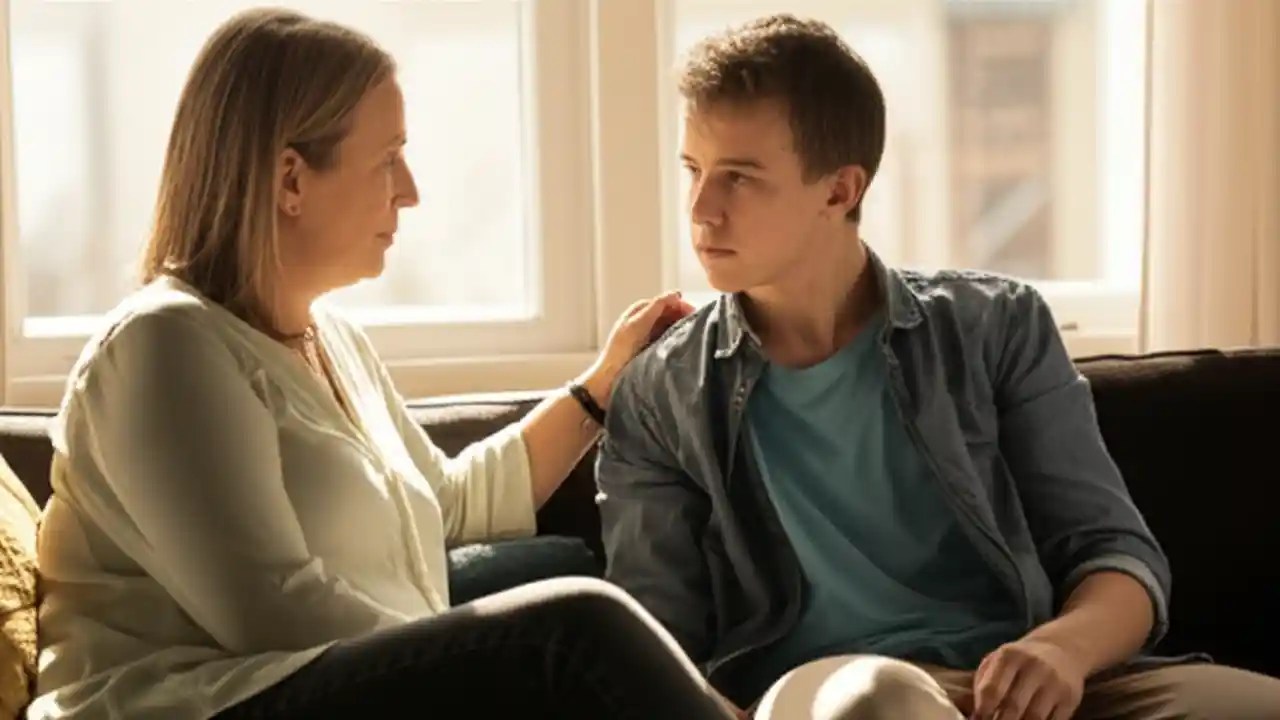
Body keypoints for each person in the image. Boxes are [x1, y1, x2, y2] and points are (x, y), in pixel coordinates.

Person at [29, 8, 735, 720]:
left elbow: (449, 502)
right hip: (201, 704)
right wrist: (489, 658)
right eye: (388, 156)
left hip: (339, 686)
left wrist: (603, 386)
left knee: (573, 589)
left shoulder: (331, 339)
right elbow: (273, 610)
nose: (410, 189)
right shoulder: (165, 348)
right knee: (570, 632)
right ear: (290, 180)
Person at [596, 13, 1280, 720]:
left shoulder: (996, 326)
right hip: (831, 692)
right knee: (875, 702)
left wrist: (1061, 651)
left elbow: (1116, 556)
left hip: (1024, 679)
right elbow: (655, 648)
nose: (701, 209)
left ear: (839, 190)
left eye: (737, 177)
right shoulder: (661, 394)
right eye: (693, 170)